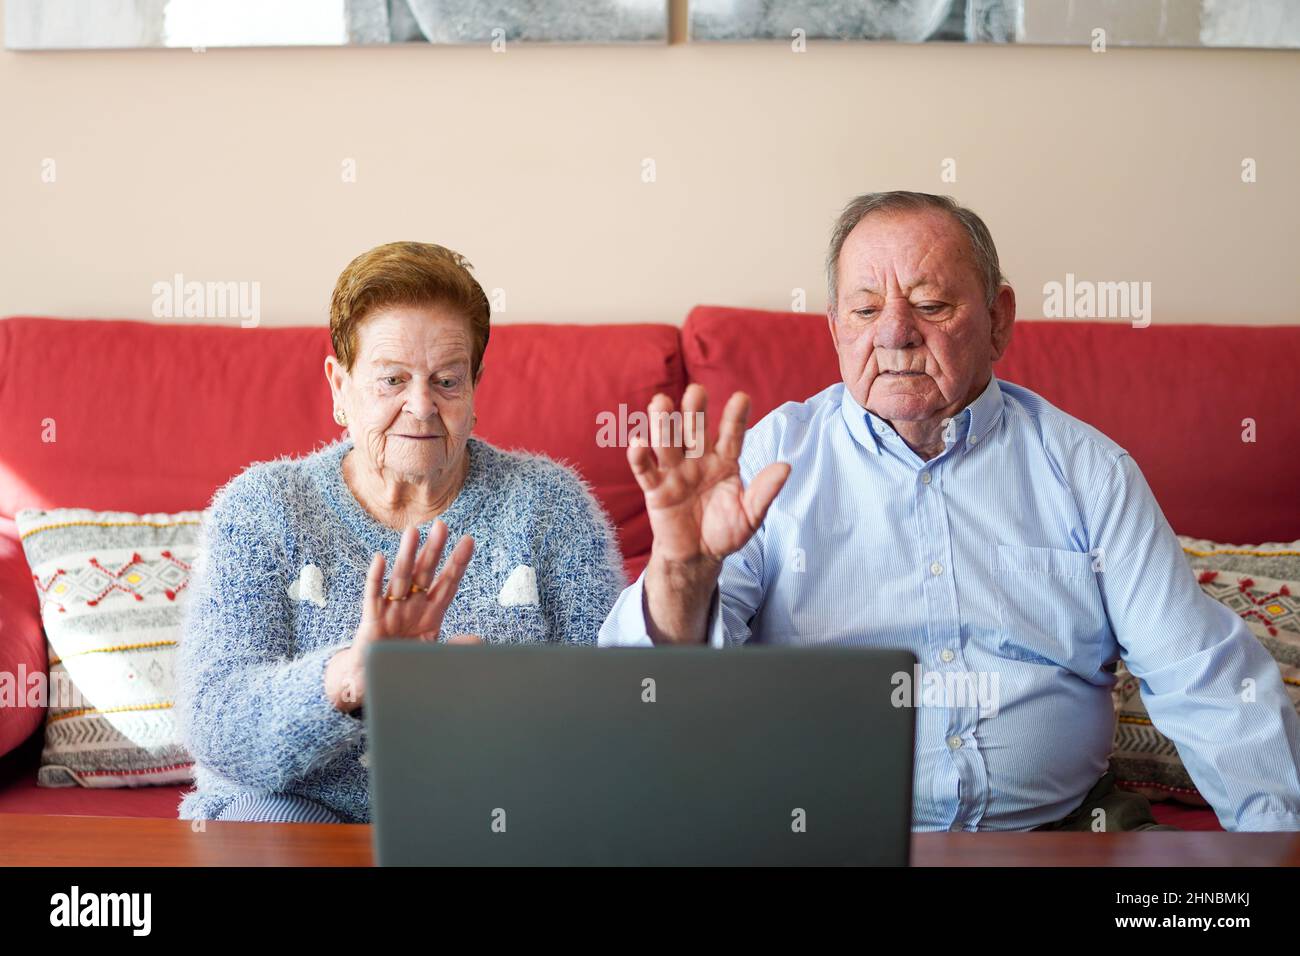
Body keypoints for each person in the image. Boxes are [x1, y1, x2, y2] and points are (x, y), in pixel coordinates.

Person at [599, 191, 1300, 832]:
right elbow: (647, 697)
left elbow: (1202, 675)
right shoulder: (766, 463)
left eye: (932, 305)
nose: (895, 333)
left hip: (1054, 840)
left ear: (999, 321)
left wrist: (1277, 849)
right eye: (866, 308)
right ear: (836, 330)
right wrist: (681, 571)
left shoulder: (1089, 472)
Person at [177, 241, 625, 823]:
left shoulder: (549, 505)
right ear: (339, 386)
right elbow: (214, 720)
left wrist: (517, 709)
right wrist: (351, 678)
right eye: (391, 380)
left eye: (446, 381)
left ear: (474, 387)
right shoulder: (264, 507)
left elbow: (616, 715)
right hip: (298, 813)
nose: (421, 406)